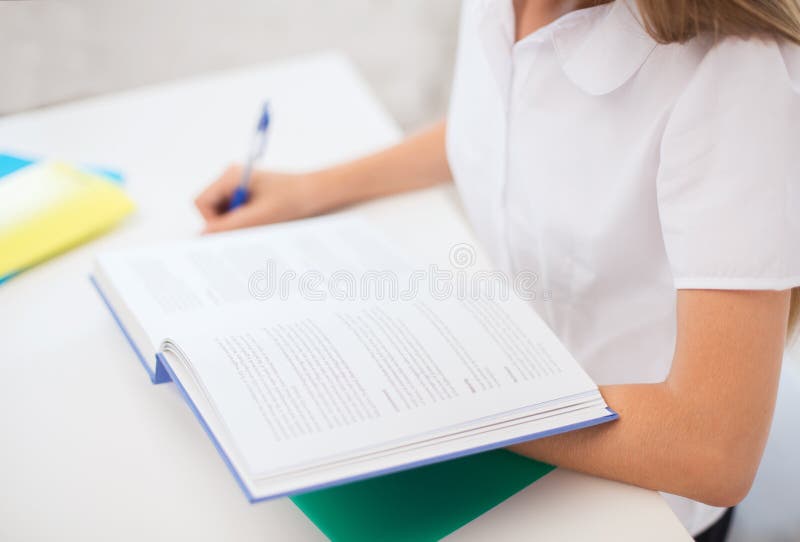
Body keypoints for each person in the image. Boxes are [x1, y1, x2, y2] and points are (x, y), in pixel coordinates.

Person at [195, 1, 800, 539]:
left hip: (633, 500)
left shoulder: (739, 74)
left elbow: (711, 450)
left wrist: (434, 402)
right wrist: (313, 189)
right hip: (501, 412)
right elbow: (504, 126)